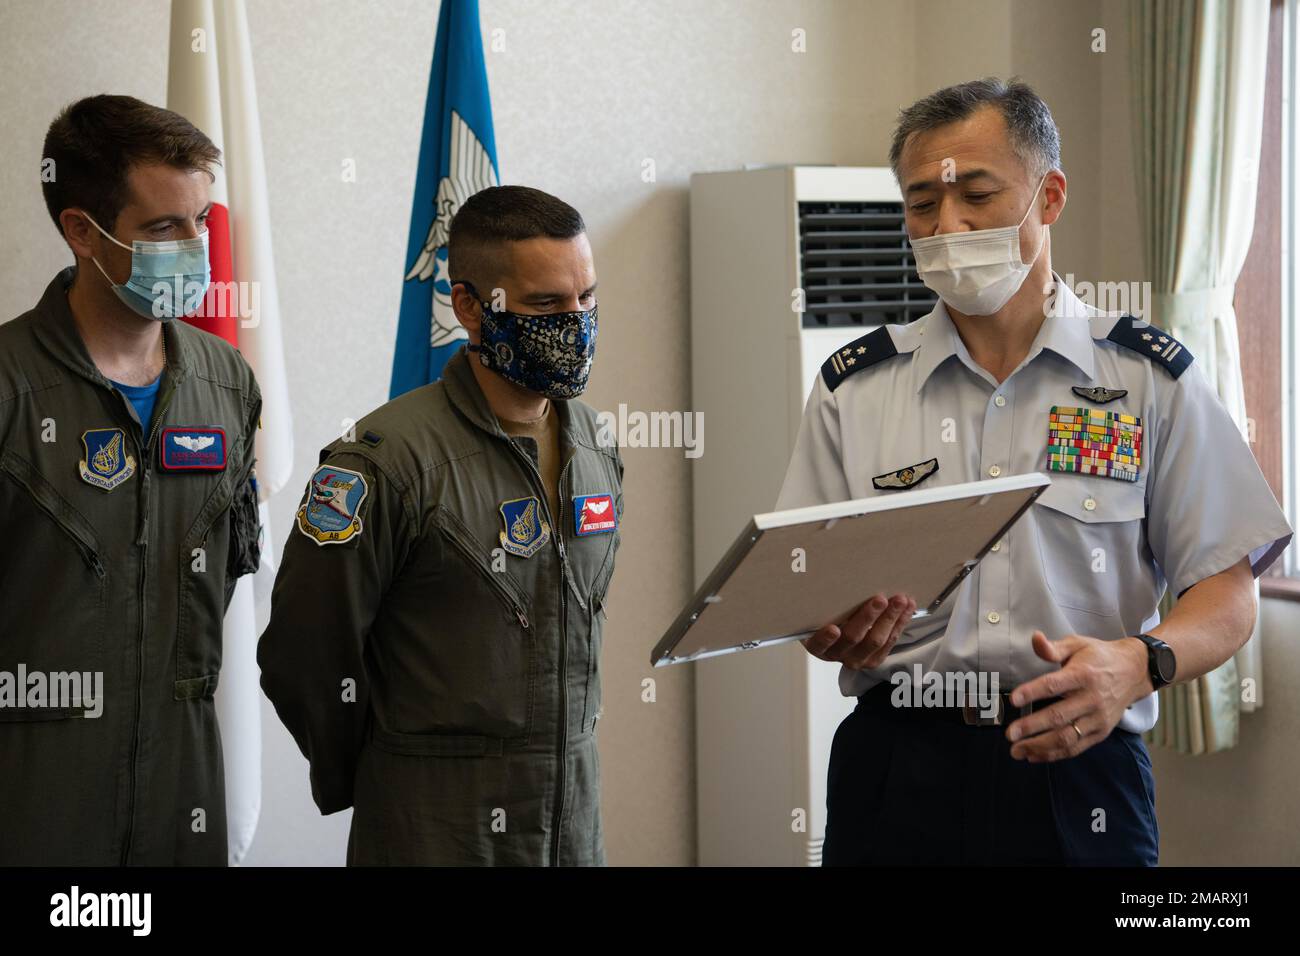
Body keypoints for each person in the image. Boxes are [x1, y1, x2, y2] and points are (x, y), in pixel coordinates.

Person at [776, 77, 1293, 866]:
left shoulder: (1147, 377)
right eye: (921, 205)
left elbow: (1227, 594)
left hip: (1080, 766)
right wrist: (824, 625)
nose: (948, 226)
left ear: (1048, 197)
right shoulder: (857, 385)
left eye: (976, 195)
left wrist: (1140, 662)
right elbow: (805, 579)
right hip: (896, 767)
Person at [258, 185, 623, 865]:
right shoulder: (385, 462)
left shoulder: (597, 445)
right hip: (434, 822)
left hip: (571, 813)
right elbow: (303, 652)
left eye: (587, 298)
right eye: (546, 304)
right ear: (468, 307)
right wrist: (386, 768)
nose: (575, 322)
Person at [0, 94, 262, 865]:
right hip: (35, 802)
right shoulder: (11, 386)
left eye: (200, 222)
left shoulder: (227, 385)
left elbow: (227, 571)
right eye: (162, 227)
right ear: (81, 230)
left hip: (182, 796)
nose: (192, 246)